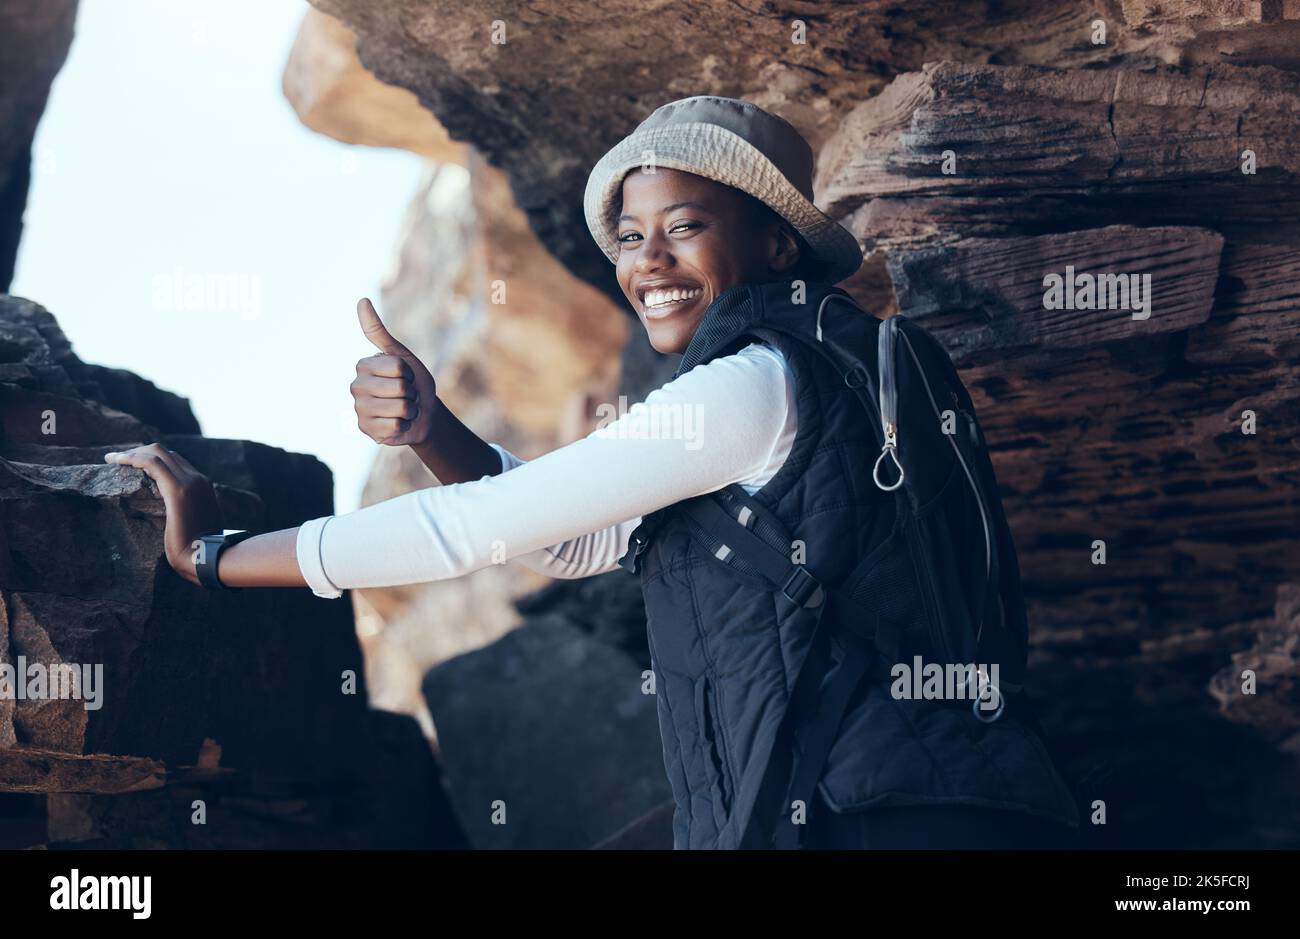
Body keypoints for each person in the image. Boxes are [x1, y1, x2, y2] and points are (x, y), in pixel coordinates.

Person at [105, 95, 1080, 850]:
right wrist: (435, 428)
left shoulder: (747, 387)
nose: (645, 259)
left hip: (867, 817)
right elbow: (573, 537)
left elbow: (470, 532)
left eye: (685, 226)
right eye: (628, 235)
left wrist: (215, 555)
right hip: (943, 796)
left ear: (776, 242)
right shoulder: (834, 365)